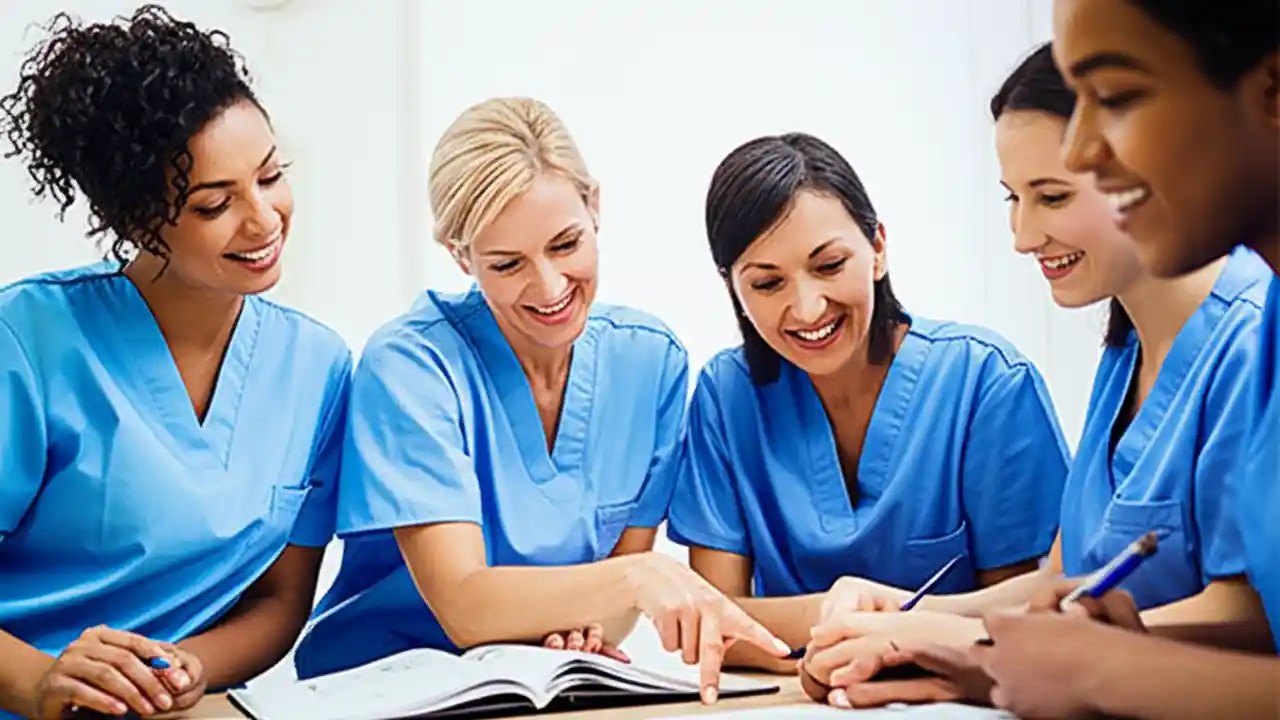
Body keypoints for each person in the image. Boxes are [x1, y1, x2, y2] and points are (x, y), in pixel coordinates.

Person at [816, 1, 1280, 716]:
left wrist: (975, 648)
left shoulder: (1247, 333)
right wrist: (921, 618)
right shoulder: (1126, 348)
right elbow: (1066, 583)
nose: (1023, 235)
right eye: (1013, 198)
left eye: (1052, 195)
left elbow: (1249, 618)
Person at [292, 97, 788, 703]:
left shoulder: (649, 362)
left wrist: (579, 626)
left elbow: (613, 618)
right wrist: (638, 576)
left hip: (548, 688)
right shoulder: (410, 367)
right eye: (507, 264)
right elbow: (466, 606)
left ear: (595, 207)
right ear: (459, 254)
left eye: (565, 244)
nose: (550, 287)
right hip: (385, 691)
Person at [0, 6, 351, 720]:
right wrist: (38, 683)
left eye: (272, 175)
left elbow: (280, 600)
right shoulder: (30, 341)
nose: (263, 220)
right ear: (137, 220)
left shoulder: (318, 368)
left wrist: (185, 670)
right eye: (214, 203)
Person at [665, 131, 1071, 674]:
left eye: (829, 266)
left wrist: (875, 633)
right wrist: (841, 611)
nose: (807, 308)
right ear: (733, 287)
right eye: (767, 283)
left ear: (877, 247)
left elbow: (1026, 610)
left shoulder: (985, 383)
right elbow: (714, 624)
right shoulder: (726, 396)